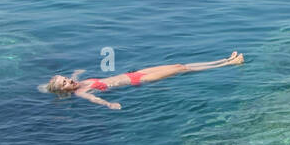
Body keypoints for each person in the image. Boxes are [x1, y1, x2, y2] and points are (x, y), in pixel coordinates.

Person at [41, 52, 244, 109]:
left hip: (134, 73)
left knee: (179, 65)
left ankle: (224, 59)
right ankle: (229, 65)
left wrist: (76, 72)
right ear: (64, 91)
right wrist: (109, 104)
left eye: (67, 78)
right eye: (65, 83)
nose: (70, 81)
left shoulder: (79, 82)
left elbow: (74, 76)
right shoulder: (80, 92)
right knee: (183, 71)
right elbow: (94, 100)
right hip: (139, 81)